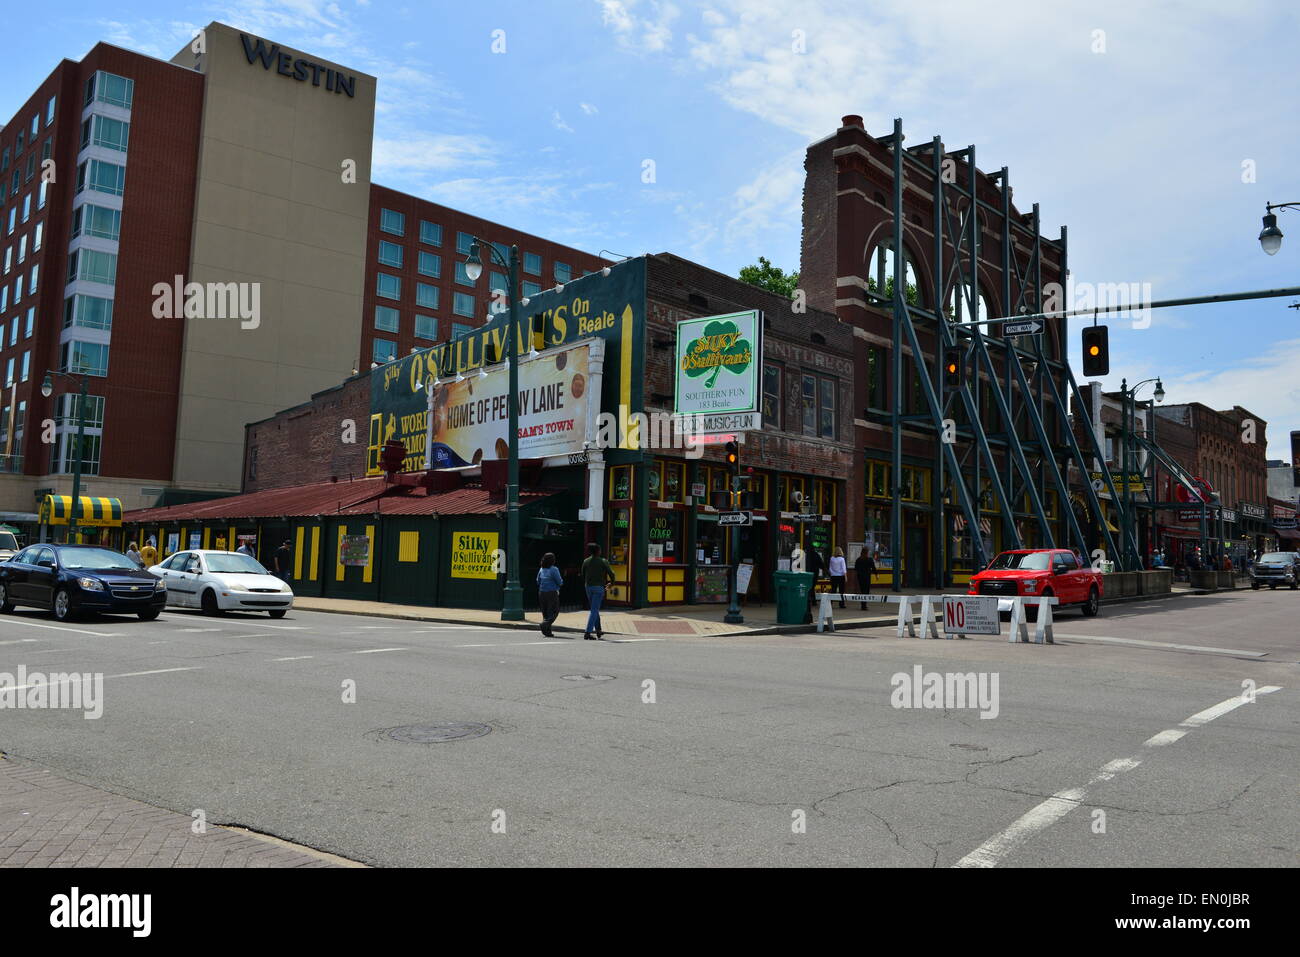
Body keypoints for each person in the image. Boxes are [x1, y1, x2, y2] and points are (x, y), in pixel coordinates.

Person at [581, 542, 616, 640]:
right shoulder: (603, 561)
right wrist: (612, 583)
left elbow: (583, 574)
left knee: (594, 609)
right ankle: (587, 632)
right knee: (594, 610)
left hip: (588, 587)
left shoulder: (586, 561)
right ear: (598, 551)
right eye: (600, 549)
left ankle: (598, 630)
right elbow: (611, 574)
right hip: (599, 588)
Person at [536, 552, 563, 638]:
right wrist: (560, 584)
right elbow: (559, 581)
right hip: (552, 592)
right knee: (555, 610)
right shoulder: (554, 569)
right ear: (552, 560)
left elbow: (538, 581)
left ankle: (547, 631)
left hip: (541, 592)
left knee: (545, 612)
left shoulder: (541, 569)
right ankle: (545, 624)